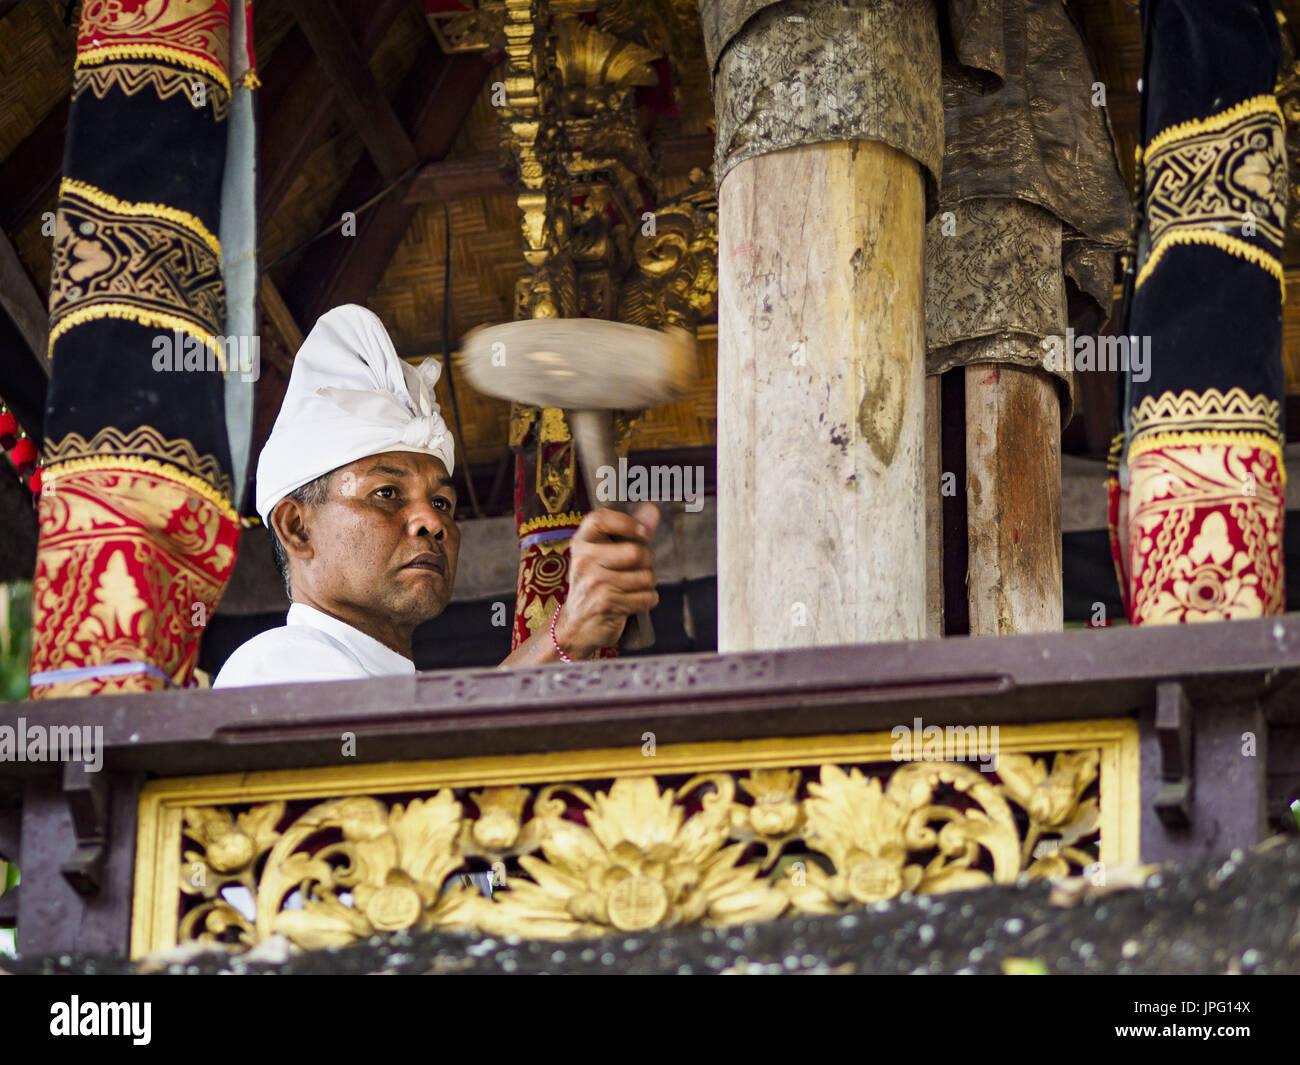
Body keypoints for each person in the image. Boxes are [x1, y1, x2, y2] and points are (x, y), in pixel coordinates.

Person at [213, 304, 658, 689]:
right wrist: (568, 634)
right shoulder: (276, 664)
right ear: (296, 528)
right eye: (387, 493)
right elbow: (428, 771)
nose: (431, 520)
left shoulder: (392, 682)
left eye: (443, 501)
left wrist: (569, 633)